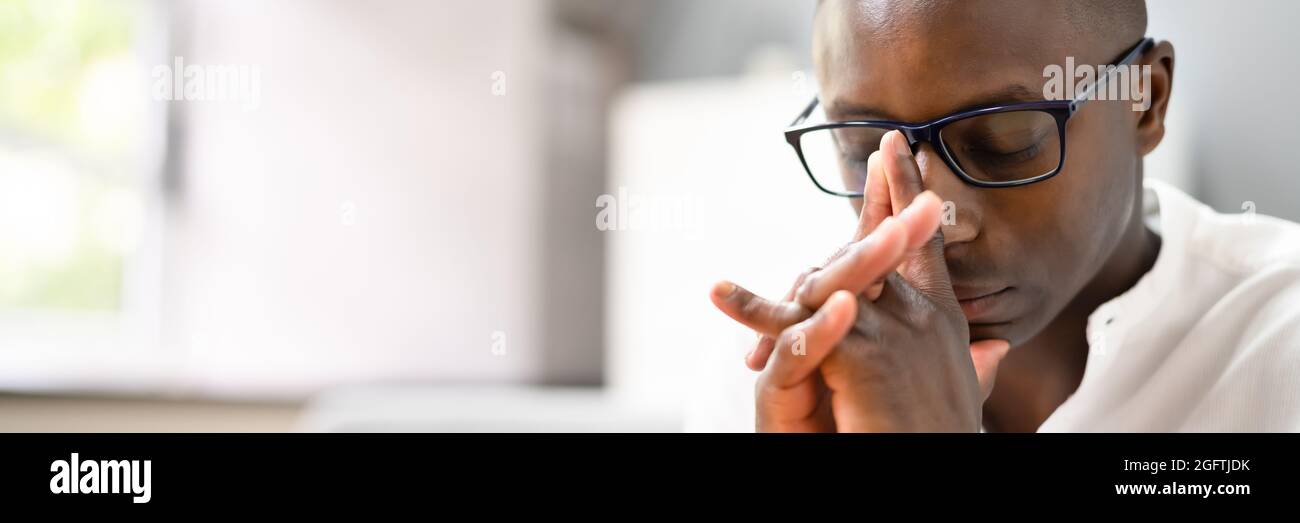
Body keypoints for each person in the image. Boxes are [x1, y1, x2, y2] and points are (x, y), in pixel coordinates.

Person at [708, 0, 1300, 432]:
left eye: (1005, 139)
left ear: (1145, 100)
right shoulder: (782, 380)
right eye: (864, 146)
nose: (936, 219)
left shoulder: (1280, 345)